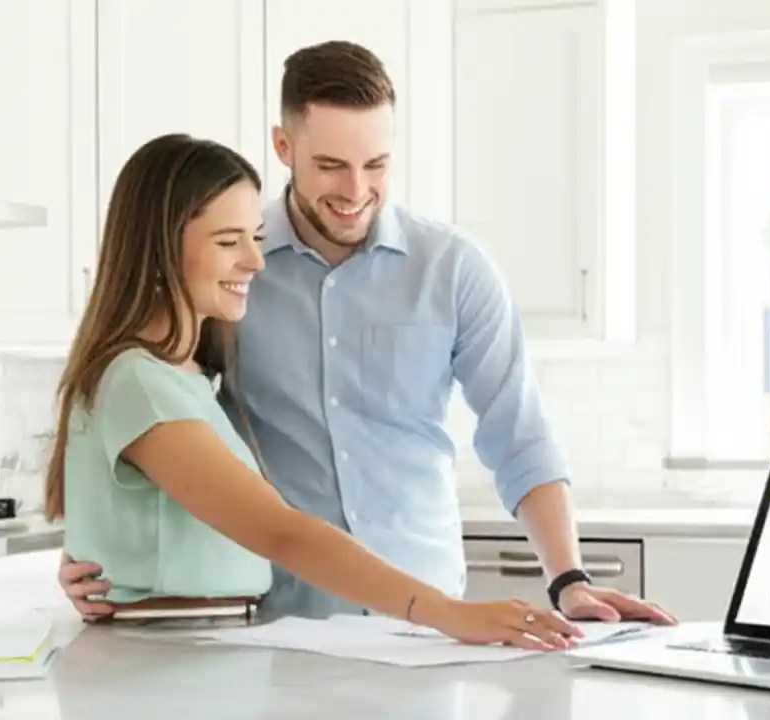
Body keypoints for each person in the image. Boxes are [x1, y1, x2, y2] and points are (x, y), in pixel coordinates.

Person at [58, 40, 675, 626]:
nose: (355, 191)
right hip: (281, 619)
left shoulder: (453, 269)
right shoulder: (231, 270)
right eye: (330, 165)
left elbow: (519, 432)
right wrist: (116, 549)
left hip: (429, 617)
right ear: (283, 146)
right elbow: (162, 412)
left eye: (375, 164)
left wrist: (568, 577)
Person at [44, 133, 587, 650]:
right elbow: (283, 533)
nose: (258, 261)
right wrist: (450, 614)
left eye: (255, 238)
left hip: (245, 644)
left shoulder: (184, 374)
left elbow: (520, 431)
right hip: (184, 659)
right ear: (160, 249)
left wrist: (107, 545)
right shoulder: (143, 382)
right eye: (230, 241)